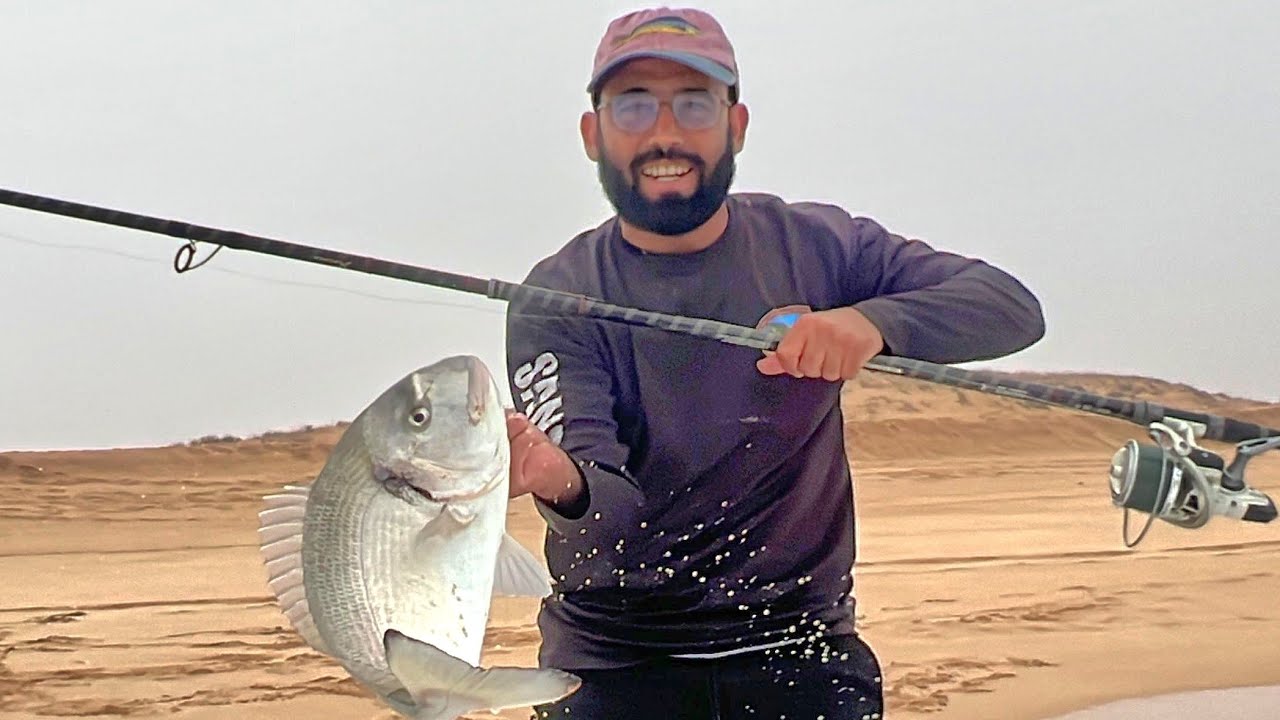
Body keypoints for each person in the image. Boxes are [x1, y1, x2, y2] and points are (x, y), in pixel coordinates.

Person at [503, 6, 1045, 719]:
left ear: (737, 125)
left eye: (694, 103)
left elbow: (1008, 305)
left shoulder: (819, 244)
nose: (664, 133)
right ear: (591, 133)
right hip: (613, 664)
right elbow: (608, 514)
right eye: (633, 106)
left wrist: (872, 322)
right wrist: (558, 481)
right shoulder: (556, 299)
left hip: (803, 652)